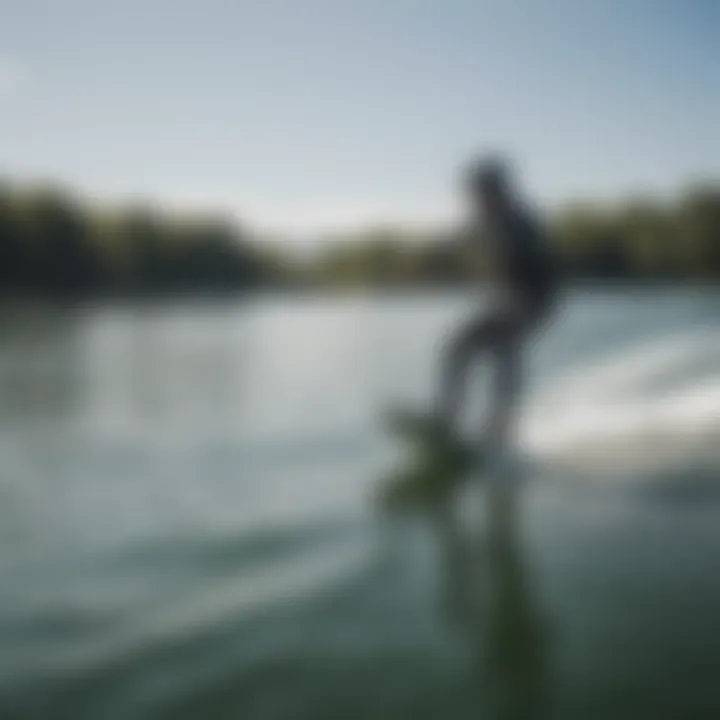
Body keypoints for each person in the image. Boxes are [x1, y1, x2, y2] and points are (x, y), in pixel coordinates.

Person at [432, 156, 559, 452]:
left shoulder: (518, 222)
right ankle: (455, 421)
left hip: (534, 301)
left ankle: (497, 428)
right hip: (514, 302)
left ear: (496, 191)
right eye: (471, 193)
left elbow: (538, 270)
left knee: (498, 349)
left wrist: (519, 305)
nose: (472, 199)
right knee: (460, 347)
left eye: (477, 192)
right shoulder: (491, 219)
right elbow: (465, 242)